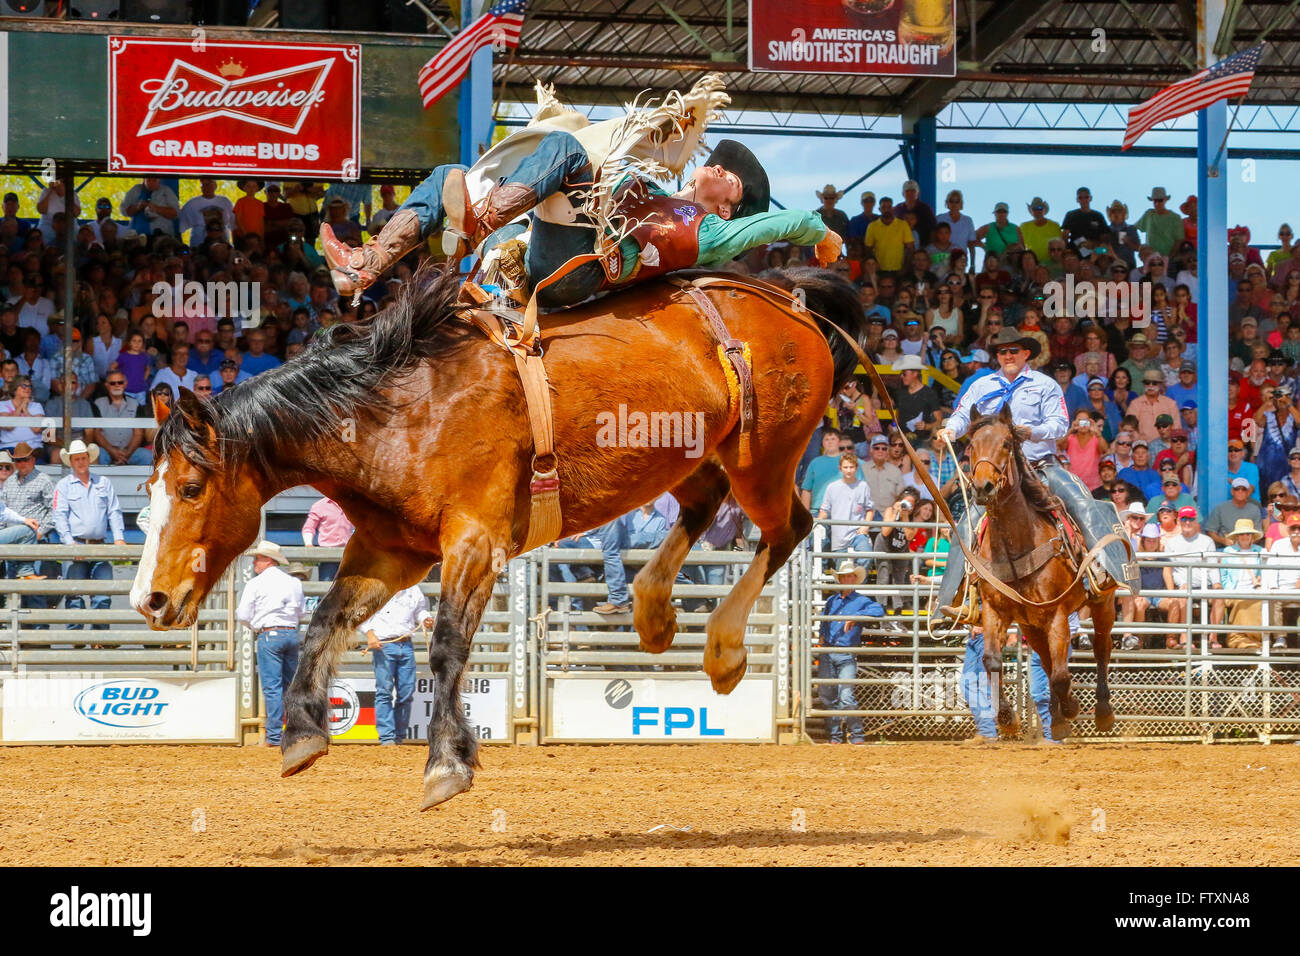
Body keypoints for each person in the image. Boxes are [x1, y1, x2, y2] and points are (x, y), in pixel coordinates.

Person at [324, 78, 836, 305]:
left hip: (581, 271)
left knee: (567, 150)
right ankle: (362, 267)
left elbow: (777, 223)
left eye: (724, 173)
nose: (712, 166)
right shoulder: (654, 189)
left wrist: (820, 230)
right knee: (447, 175)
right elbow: (601, 161)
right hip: (553, 253)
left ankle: (478, 221)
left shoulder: (717, 231)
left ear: (729, 193)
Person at [932, 327, 1138, 619]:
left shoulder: (1045, 385)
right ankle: (959, 597)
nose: (1007, 356)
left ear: (1026, 353)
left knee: (1083, 503)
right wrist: (950, 430)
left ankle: (1102, 571)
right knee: (965, 526)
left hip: (1040, 467)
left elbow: (1058, 424)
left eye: (1013, 350)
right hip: (998, 474)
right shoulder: (980, 385)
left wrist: (1033, 432)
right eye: (1002, 352)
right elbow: (964, 414)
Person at [235, 541, 306, 747]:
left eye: (257, 559)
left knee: (272, 688)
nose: (255, 562)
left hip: (269, 634)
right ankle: (296, 732)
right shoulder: (294, 583)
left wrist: (256, 627)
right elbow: (301, 612)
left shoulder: (256, 583)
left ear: (268, 561)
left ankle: (274, 737)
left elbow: (243, 614)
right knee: (290, 686)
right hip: (291, 633)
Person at [52, 439, 125, 630]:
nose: (81, 462)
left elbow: (114, 512)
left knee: (103, 594)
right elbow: (59, 516)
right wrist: (69, 544)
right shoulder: (63, 485)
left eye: (83, 458)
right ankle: (76, 638)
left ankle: (99, 638)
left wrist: (119, 538)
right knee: (74, 595)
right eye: (77, 459)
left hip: (100, 545)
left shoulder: (103, 483)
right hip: (76, 544)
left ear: (88, 459)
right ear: (71, 461)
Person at [359, 581, 434, 744]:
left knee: (406, 693)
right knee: (384, 691)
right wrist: (370, 634)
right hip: (384, 645)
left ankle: (398, 736)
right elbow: (361, 614)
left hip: (405, 644)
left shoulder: (413, 589)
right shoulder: (376, 589)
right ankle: (387, 737)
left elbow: (419, 610)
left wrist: (425, 618)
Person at [817, 559, 883, 744]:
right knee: (827, 696)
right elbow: (824, 621)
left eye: (849, 576)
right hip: (828, 651)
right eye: (844, 576)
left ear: (855, 579)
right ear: (841, 579)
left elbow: (879, 611)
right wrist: (821, 640)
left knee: (846, 696)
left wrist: (856, 617)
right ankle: (836, 737)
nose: (846, 579)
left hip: (846, 652)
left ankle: (856, 735)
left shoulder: (861, 601)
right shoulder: (832, 601)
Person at [1161, 508, 1216, 650]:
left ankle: (1213, 638)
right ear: (1179, 521)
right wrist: (1177, 587)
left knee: (1219, 596)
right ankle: (1185, 637)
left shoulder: (1207, 541)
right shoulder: (1171, 543)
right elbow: (1170, 570)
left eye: (1191, 519)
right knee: (1183, 595)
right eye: (1184, 518)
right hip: (1183, 585)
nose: (1187, 522)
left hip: (1205, 585)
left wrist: (1217, 583)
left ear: (1196, 521)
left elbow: (1213, 566)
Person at [1215, 520, 1265, 650]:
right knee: (1242, 601)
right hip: (1234, 590)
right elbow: (1224, 575)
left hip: (1254, 590)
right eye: (1242, 534)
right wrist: (1231, 590)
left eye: (1248, 534)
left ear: (1252, 536)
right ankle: (1241, 638)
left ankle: (1246, 639)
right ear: (1237, 536)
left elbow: (1264, 572)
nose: (1245, 536)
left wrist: (1259, 583)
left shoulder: (1260, 551)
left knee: (1259, 602)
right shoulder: (1228, 551)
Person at [818, 452, 874, 567]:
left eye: (851, 467)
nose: (849, 470)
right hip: (839, 538)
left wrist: (865, 526)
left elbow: (870, 509)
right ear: (840, 468)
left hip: (858, 534)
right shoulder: (832, 488)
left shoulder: (863, 486)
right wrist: (816, 523)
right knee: (842, 572)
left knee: (866, 557)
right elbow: (824, 511)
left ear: (856, 468)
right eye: (845, 467)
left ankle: (860, 585)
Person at [301, 495, 355, 581]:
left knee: (348, 588)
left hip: (348, 555)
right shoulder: (320, 506)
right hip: (327, 555)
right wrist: (308, 543)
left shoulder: (352, 505)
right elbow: (309, 528)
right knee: (326, 587)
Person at [1205, 477, 1265, 547]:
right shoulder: (1220, 508)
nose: (1240, 491)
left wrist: (1246, 544)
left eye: (1243, 489)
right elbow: (1210, 531)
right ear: (1232, 491)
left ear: (1248, 492)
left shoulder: (1255, 509)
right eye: (1237, 489)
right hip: (1225, 549)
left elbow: (1259, 533)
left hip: (1249, 549)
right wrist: (1223, 540)